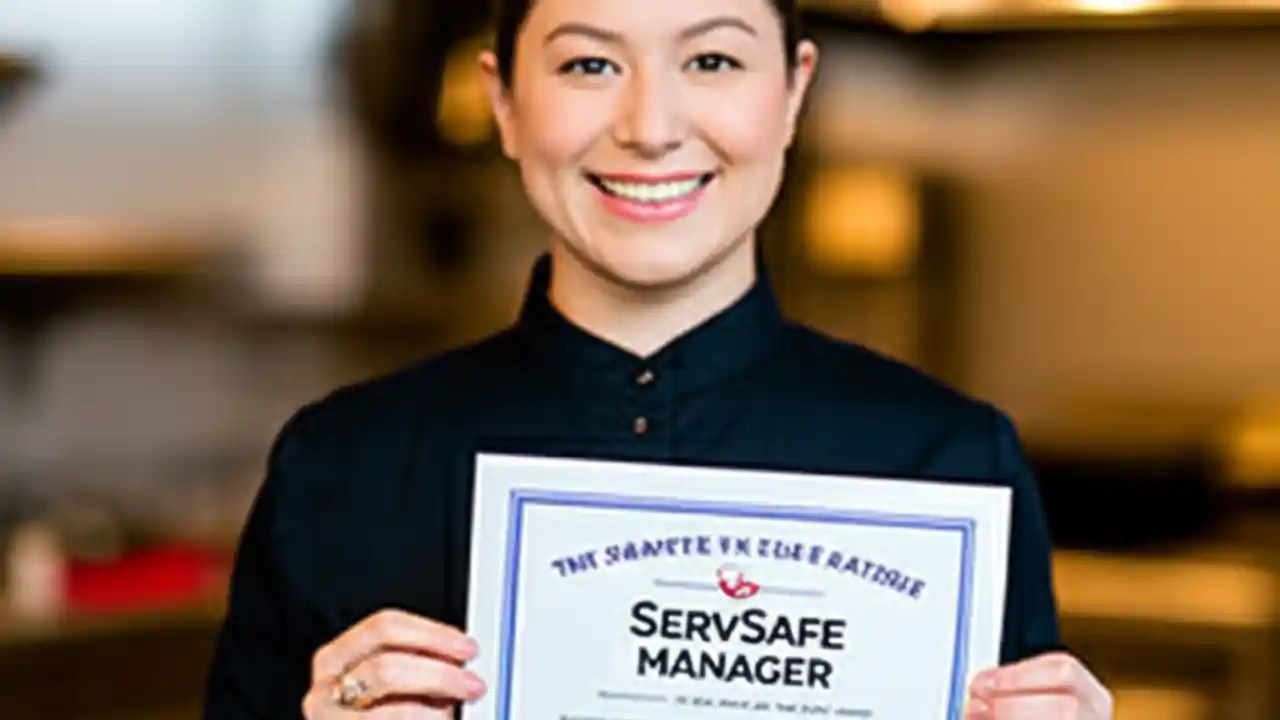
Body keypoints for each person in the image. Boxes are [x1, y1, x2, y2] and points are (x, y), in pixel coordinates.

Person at [204, 0, 1113, 718]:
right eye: (588, 63)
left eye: (711, 59)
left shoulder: (954, 460)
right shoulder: (340, 461)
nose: (649, 125)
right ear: (505, 103)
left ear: (793, 91)